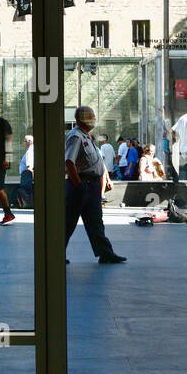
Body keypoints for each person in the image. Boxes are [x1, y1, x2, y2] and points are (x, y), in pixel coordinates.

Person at [64, 105, 126, 264]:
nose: (92, 119)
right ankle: (56, 253)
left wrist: (104, 177)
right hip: (82, 185)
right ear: (80, 119)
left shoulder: (86, 136)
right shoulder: (76, 136)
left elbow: (95, 161)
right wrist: (78, 185)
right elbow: (69, 161)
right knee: (68, 222)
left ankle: (105, 253)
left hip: (91, 185)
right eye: (88, 116)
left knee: (96, 221)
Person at [16, 134, 35, 208]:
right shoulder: (31, 150)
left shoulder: (29, 151)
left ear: (29, 142)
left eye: (24, 141)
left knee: (25, 190)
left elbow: (29, 166)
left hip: (26, 175)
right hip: (27, 175)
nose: (24, 143)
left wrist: (30, 175)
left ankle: (25, 205)